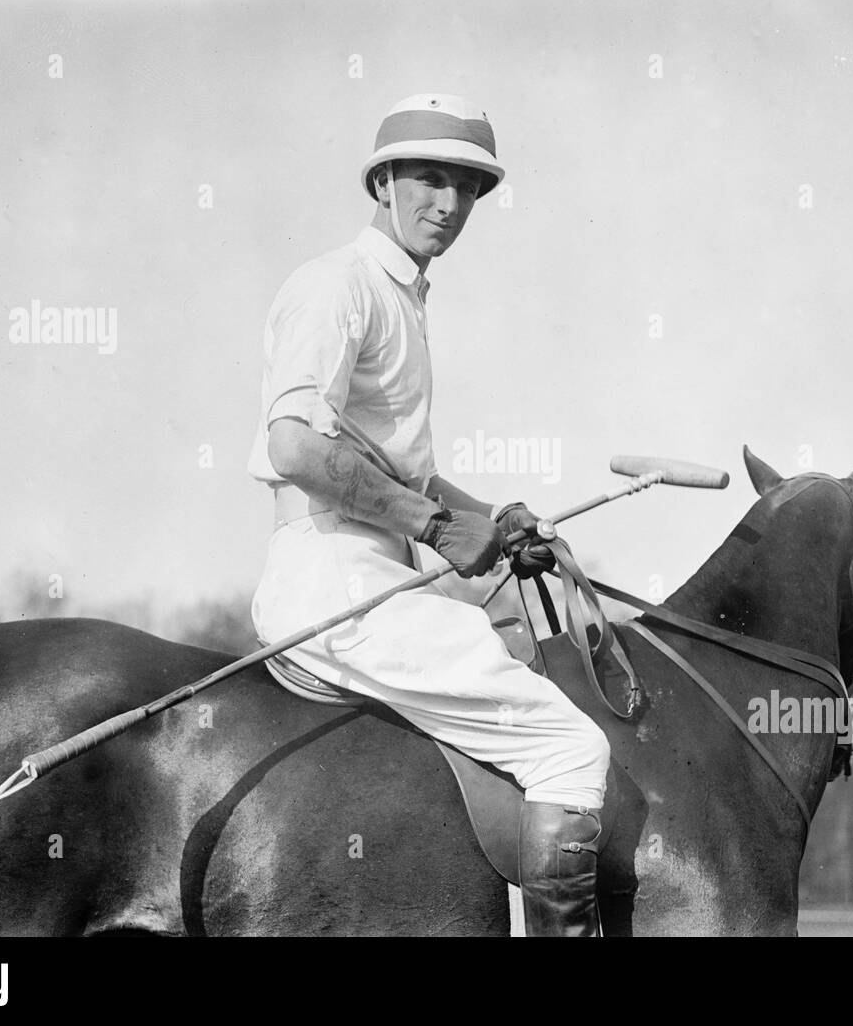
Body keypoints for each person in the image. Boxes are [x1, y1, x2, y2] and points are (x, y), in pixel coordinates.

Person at [247, 94, 611, 936]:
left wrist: (498, 517)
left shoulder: (403, 297)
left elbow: (408, 474)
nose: (448, 205)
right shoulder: (337, 284)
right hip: (331, 578)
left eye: (468, 189)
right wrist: (441, 529)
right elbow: (297, 447)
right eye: (430, 179)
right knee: (572, 748)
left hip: (376, 575)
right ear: (382, 182)